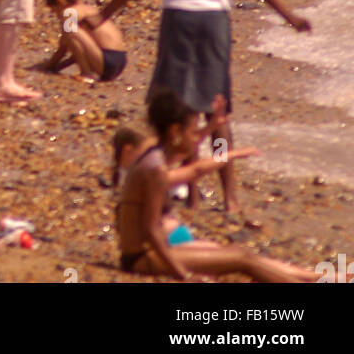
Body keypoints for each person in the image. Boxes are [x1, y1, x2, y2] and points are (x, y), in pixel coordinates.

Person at [91, 0, 310, 214]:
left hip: (178, 16)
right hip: (213, 20)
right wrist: (289, 16)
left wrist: (105, 13)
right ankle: (229, 196)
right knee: (217, 112)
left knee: (186, 112)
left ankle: (193, 193)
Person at [114, 88, 319, 279]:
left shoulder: (155, 153)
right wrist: (184, 275)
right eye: (193, 131)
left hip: (155, 248)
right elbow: (151, 229)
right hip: (144, 256)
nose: (196, 139)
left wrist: (214, 130)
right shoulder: (156, 168)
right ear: (175, 131)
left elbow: (192, 154)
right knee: (242, 259)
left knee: (240, 255)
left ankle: (315, 277)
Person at [44, 0, 127, 80]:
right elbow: (80, 49)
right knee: (75, 34)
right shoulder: (90, 9)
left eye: (55, 10)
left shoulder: (69, 12)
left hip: (107, 62)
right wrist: (59, 66)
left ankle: (86, 73)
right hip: (120, 61)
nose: (57, 16)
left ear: (61, 2)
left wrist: (48, 66)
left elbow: (63, 47)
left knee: (70, 31)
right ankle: (88, 72)